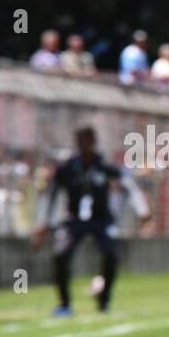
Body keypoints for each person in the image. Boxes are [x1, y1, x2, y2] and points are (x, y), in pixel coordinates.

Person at [30, 127, 151, 314]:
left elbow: (128, 186)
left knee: (110, 255)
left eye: (88, 140)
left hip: (101, 220)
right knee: (60, 255)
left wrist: (143, 211)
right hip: (74, 221)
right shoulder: (67, 168)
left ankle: (104, 301)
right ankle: (64, 304)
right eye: (81, 140)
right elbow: (50, 195)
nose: (84, 144)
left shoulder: (103, 165)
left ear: (94, 142)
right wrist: (41, 224)